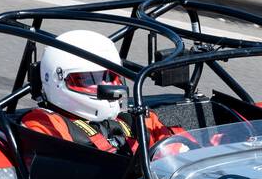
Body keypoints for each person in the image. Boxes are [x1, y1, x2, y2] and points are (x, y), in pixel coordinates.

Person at [21, 29, 190, 154]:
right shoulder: (43, 124)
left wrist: (176, 151)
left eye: (109, 77)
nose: (106, 86)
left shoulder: (136, 119)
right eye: (90, 79)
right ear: (58, 80)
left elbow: (182, 148)